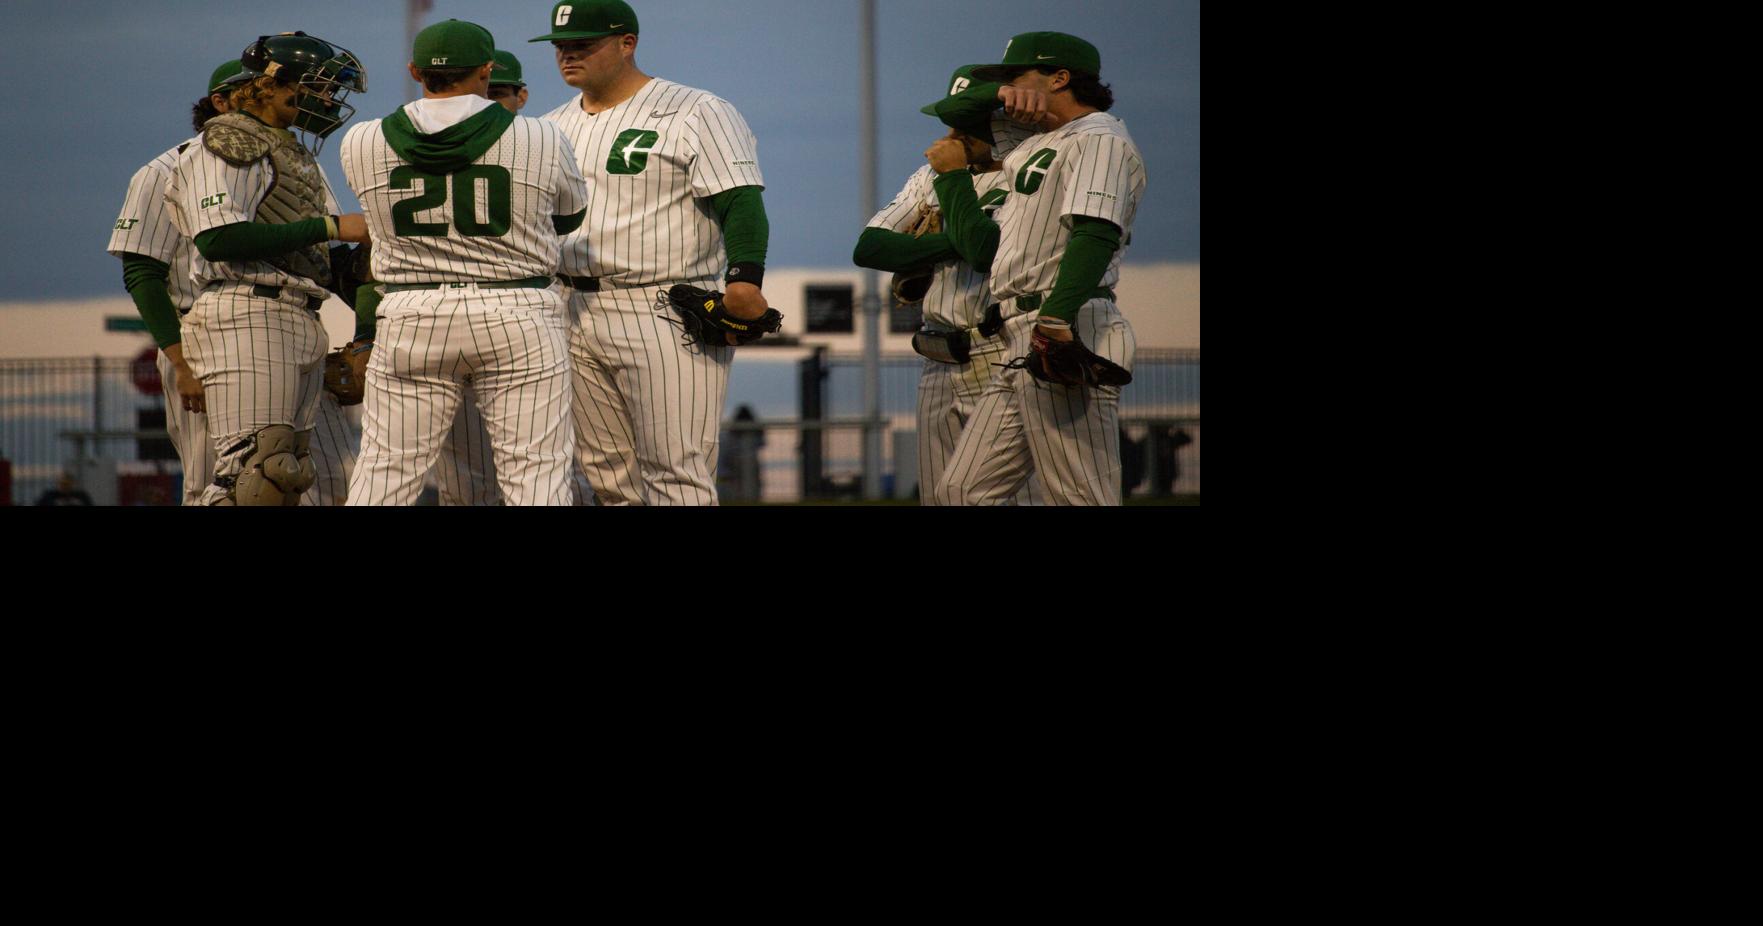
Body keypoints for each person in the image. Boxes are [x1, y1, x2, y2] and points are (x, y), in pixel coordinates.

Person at [532, 0, 776, 506]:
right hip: (571, 307)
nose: (568, 55)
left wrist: (745, 279)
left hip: (662, 305)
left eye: (583, 44)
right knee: (607, 478)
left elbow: (740, 199)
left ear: (627, 43)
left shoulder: (697, 110)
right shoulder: (548, 126)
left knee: (677, 470)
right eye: (561, 45)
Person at [339, 18, 589, 505]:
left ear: (415, 71)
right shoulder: (541, 135)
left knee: (385, 470)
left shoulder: (362, 139)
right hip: (514, 306)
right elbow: (568, 217)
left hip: (411, 308)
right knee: (535, 473)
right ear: (486, 71)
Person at [110, 59, 358, 505]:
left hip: (297, 323)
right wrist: (180, 361)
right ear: (222, 101)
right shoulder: (166, 168)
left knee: (328, 482)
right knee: (231, 481)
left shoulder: (297, 162)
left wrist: (372, 331)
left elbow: (328, 259)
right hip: (207, 336)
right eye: (269, 86)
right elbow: (142, 273)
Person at [926, 32, 1146, 506]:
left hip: (1065, 320)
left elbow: (1095, 232)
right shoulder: (1035, 139)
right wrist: (1001, 93)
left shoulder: (1101, 138)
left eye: (1015, 75)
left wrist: (1056, 319)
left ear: (1060, 77)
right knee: (961, 491)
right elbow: (957, 114)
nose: (1006, 86)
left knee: (1079, 495)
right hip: (1017, 333)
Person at [855, 64, 1039, 505]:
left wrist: (958, 230)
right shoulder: (931, 176)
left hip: (997, 347)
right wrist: (951, 240)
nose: (952, 133)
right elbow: (870, 248)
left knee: (1013, 497)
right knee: (941, 497)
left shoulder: (1023, 176)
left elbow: (982, 252)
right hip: (938, 356)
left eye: (965, 124)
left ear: (1000, 123)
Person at [420, 47, 536, 507]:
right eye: (486, 90)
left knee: (549, 471)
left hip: (529, 324)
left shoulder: (540, 146)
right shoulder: (425, 153)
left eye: (501, 93)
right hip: (448, 325)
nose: (488, 102)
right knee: (466, 483)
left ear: (521, 96)